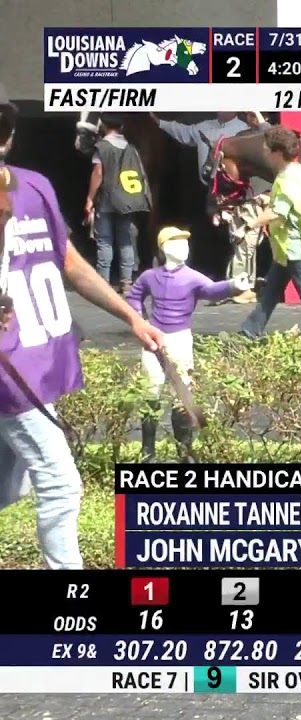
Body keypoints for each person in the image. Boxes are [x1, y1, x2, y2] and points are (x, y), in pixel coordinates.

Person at [0, 83, 166, 568]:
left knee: (11, 484)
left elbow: (70, 262)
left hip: (37, 358)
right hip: (9, 369)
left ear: (7, 136)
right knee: (60, 481)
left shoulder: (34, 187)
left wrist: (132, 316)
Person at [127, 227, 250, 461]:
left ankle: (185, 451)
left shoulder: (192, 276)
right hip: (153, 339)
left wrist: (233, 285)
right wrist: (140, 321)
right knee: (150, 391)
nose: (183, 247)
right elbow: (134, 295)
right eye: (176, 243)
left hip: (180, 339)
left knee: (182, 393)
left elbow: (211, 290)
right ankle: (147, 451)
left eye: (185, 243)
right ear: (164, 248)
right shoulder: (149, 276)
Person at [155, 111, 270, 301]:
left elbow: (272, 139)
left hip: (244, 195)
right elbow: (184, 133)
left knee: (245, 243)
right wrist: (158, 121)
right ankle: (237, 285)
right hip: (220, 192)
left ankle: (243, 285)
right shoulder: (211, 129)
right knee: (237, 241)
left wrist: (260, 121)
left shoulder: (247, 133)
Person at [239, 126, 301, 339]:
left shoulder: (288, 179)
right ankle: (250, 330)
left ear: (277, 152)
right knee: (271, 292)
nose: (264, 152)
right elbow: (290, 202)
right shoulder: (296, 172)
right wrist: (268, 199)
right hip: (286, 248)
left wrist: (250, 224)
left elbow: (278, 212)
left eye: (267, 149)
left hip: (294, 247)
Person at [83, 115, 151, 294]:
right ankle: (126, 282)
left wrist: (90, 199)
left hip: (106, 200)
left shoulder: (101, 147)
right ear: (122, 127)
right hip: (127, 200)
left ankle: (103, 283)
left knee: (105, 241)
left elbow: (98, 173)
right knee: (126, 241)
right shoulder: (132, 148)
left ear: (104, 126)